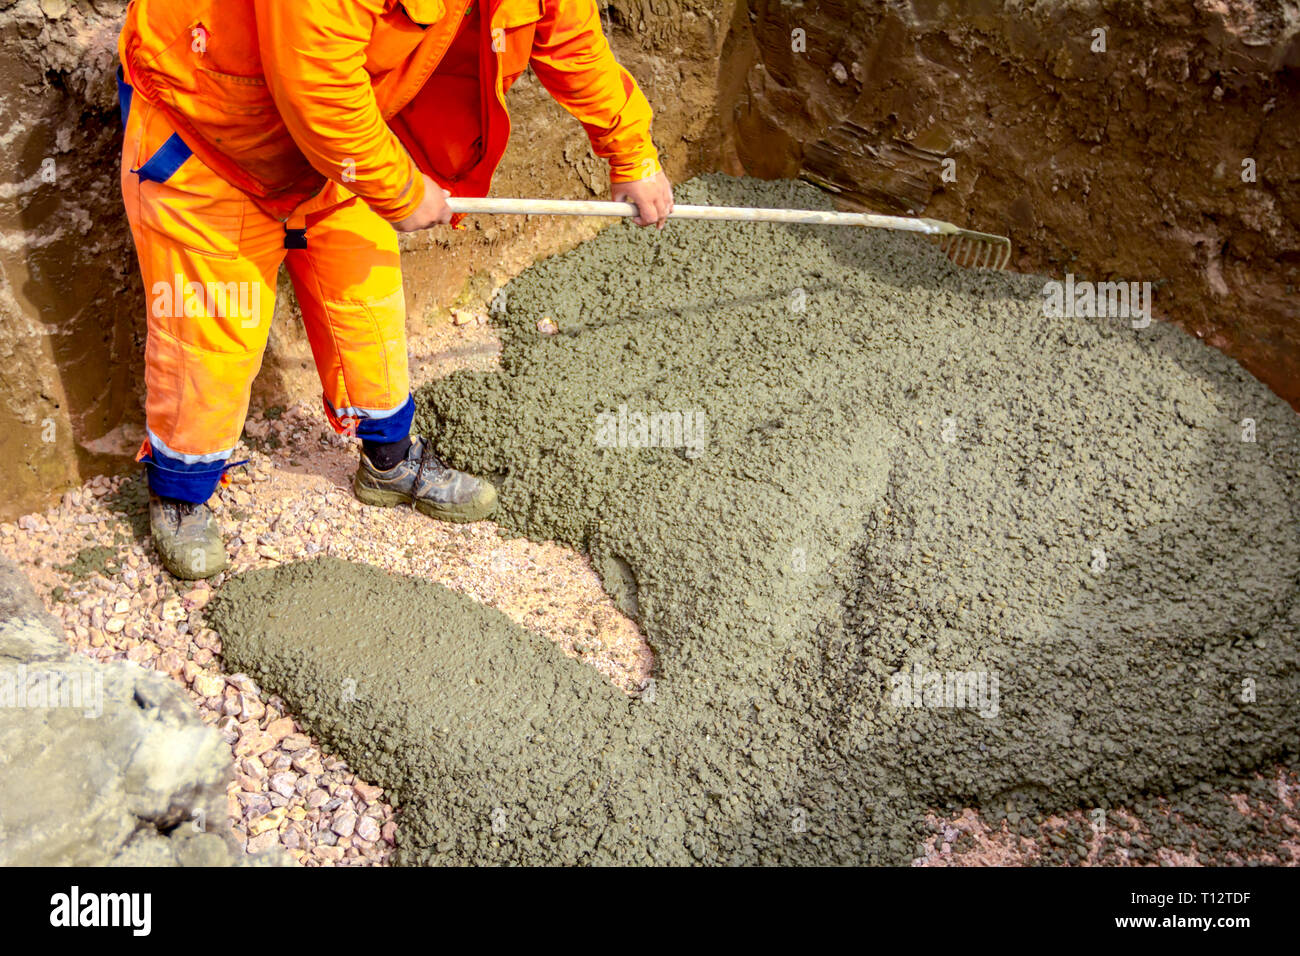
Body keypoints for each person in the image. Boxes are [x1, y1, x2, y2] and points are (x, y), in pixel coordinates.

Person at [116, 0, 674, 580]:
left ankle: (389, 461)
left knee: (366, 301)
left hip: (346, 139)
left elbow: (569, 33)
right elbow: (317, 86)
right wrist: (401, 189)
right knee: (211, 336)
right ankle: (180, 493)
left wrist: (628, 149)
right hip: (209, 133)